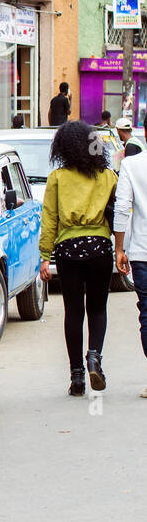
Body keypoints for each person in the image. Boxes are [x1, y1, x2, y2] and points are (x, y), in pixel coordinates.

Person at [40, 121, 118, 396]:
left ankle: (76, 378)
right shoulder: (107, 175)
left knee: (74, 312)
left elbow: (49, 218)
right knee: (97, 309)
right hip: (99, 248)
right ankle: (94, 356)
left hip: (68, 249)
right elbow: (117, 214)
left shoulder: (58, 177)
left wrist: (44, 256)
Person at [113, 135, 147, 398]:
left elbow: (122, 207)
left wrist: (119, 248)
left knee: (146, 314)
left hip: (142, 252)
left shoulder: (131, 165)